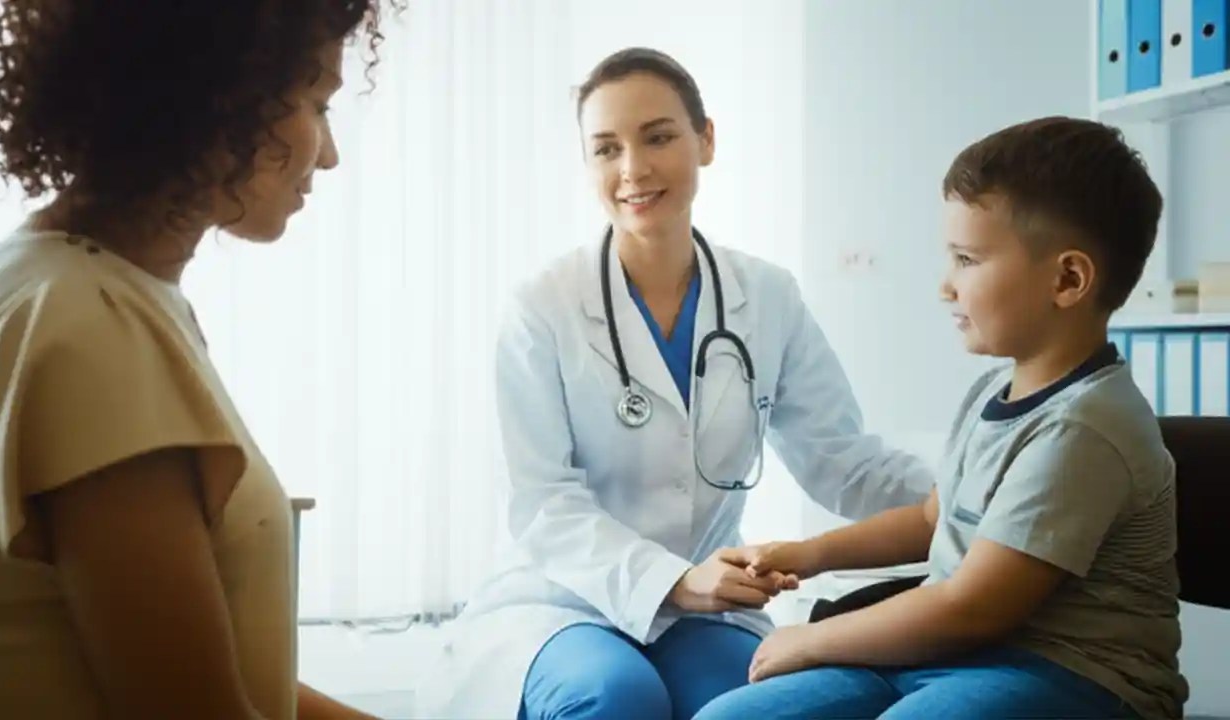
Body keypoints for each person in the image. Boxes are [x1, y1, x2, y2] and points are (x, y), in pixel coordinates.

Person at [415, 46, 934, 720]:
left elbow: (840, 460)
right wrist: (677, 581)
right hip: (563, 600)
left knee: (756, 704)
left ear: (706, 140)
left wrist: (963, 495)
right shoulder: (542, 307)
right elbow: (542, 503)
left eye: (657, 137)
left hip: (705, 610)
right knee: (615, 695)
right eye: (607, 149)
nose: (633, 169)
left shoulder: (767, 297)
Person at [0, 1, 398, 718]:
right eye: (317, 104)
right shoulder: (87, 328)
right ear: (222, 95)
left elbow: (223, 673)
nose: (328, 154)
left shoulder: (73, 284)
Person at [695, 116, 1188, 720]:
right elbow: (935, 518)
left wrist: (811, 640)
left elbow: (972, 608)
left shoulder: (1084, 429)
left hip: (1075, 676)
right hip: (951, 655)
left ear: (1067, 279)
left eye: (966, 260)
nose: (945, 287)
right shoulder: (992, 393)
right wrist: (807, 554)